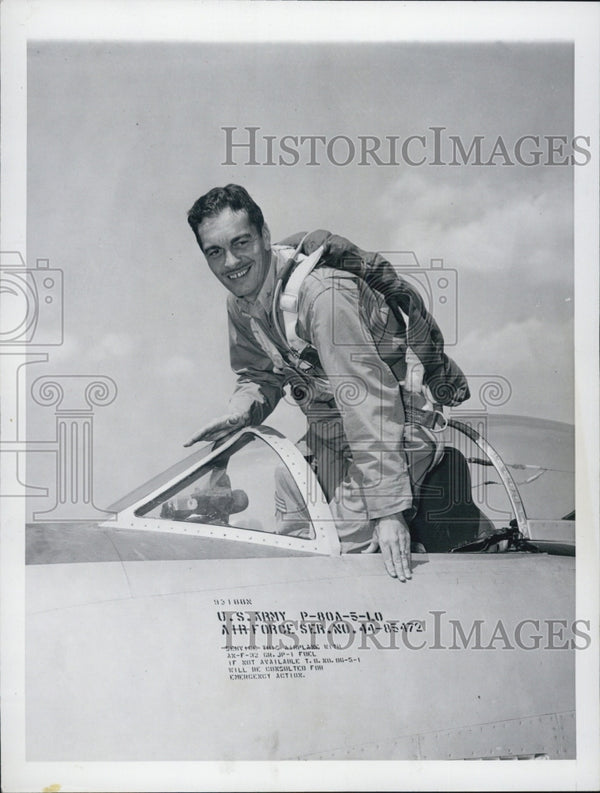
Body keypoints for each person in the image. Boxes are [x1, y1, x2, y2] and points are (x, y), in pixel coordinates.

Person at [184, 184, 447, 581]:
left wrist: (388, 509)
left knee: (331, 557)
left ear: (265, 235)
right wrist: (240, 412)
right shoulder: (242, 304)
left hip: (393, 433)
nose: (231, 262)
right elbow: (257, 374)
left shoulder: (323, 297)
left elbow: (367, 400)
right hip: (329, 436)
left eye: (241, 243)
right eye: (215, 252)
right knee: (290, 508)